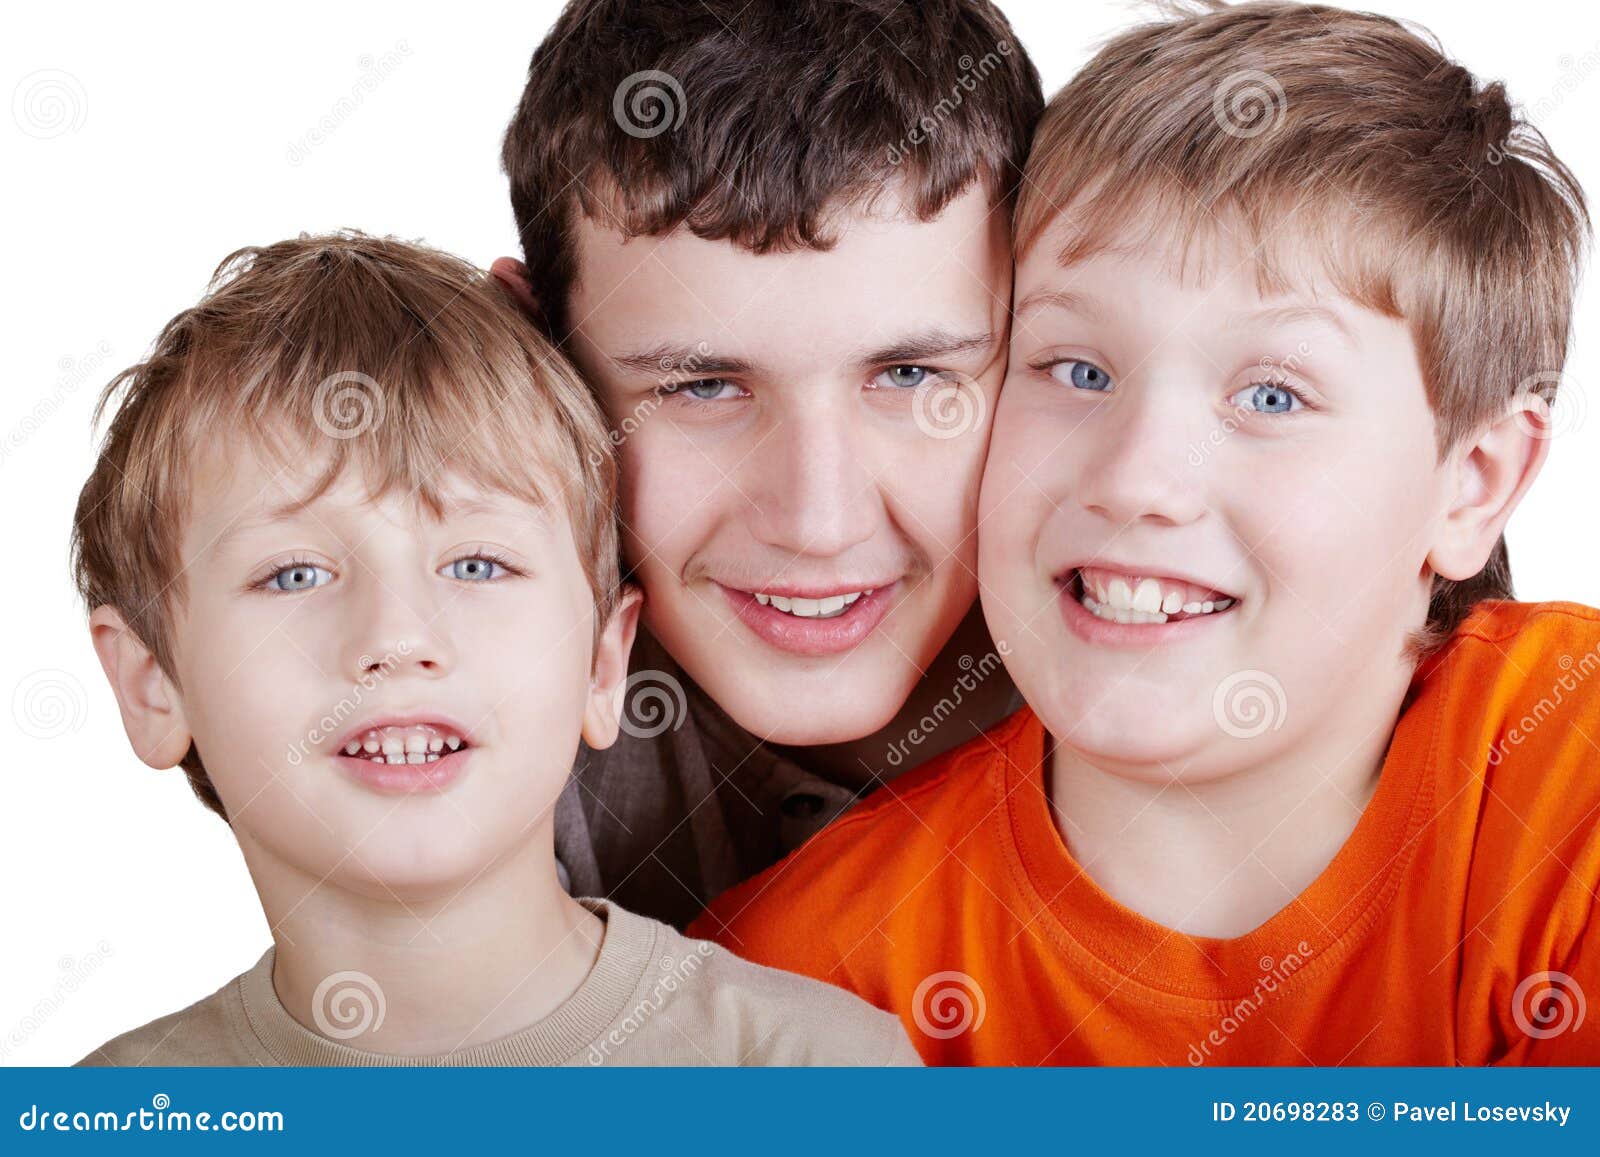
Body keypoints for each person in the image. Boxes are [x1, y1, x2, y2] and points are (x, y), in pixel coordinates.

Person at [691, 1, 1598, 1065]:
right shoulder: (790, 980)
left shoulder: (1565, 769)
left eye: (1270, 397)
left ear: (1473, 483)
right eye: (1077, 369)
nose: (1135, 480)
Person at [73, 232, 919, 1066]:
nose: (398, 638)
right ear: (151, 683)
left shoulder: (815, 1071)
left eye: (477, 563)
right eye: (294, 575)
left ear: (603, 663)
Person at [494, 0, 1044, 926]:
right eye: (702, 387)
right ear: (533, 355)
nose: (819, 521)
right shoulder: (465, 739)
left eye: (911, 375)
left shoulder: (1198, 689)